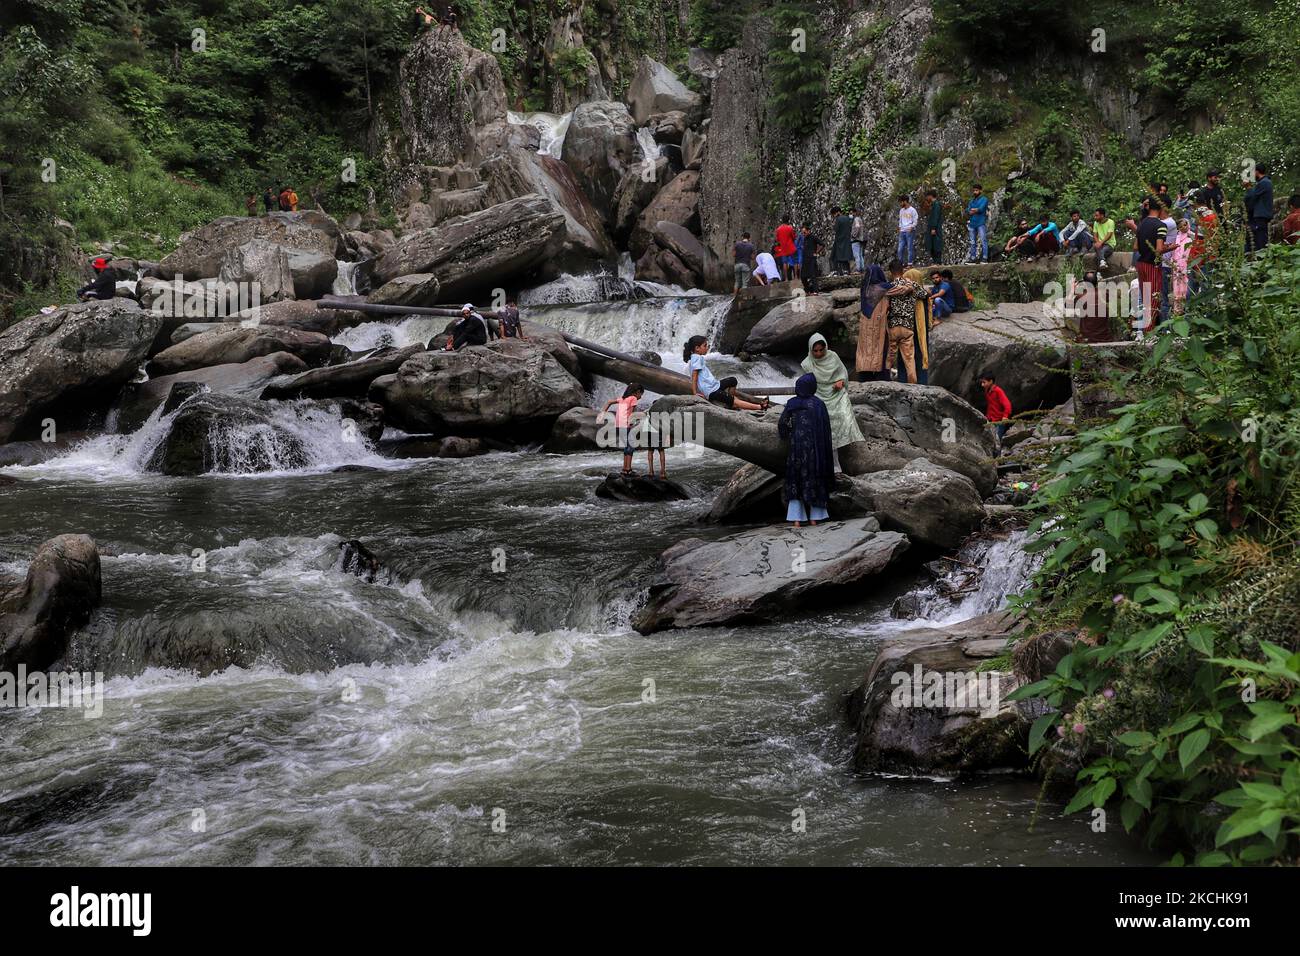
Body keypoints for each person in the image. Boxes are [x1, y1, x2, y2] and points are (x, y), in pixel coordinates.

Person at [778, 373, 835, 527]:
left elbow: (782, 423)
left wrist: (789, 434)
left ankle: (796, 519)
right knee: (815, 478)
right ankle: (815, 518)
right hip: (814, 450)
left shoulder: (791, 403)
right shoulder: (818, 404)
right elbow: (825, 429)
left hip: (796, 448)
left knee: (795, 479)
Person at [802, 333, 864, 472]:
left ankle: (840, 460)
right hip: (818, 395)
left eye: (821, 350)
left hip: (836, 394)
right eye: (815, 350)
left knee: (844, 416)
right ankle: (832, 465)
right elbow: (806, 385)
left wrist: (840, 382)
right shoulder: (807, 364)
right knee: (824, 426)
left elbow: (843, 375)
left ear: (826, 348)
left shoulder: (833, 357)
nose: (818, 353)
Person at [684, 336, 768, 410]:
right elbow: (694, 376)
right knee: (734, 400)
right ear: (697, 348)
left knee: (732, 380)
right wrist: (695, 393)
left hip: (715, 385)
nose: (707, 348)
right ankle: (760, 407)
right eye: (705, 346)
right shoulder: (696, 359)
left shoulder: (697, 357)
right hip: (711, 391)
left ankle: (729, 402)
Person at [883, 259, 922, 384]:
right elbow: (924, 294)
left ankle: (885, 380)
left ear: (890, 272)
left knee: (890, 355)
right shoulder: (911, 284)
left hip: (893, 325)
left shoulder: (888, 286)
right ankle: (913, 384)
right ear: (903, 270)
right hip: (907, 326)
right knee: (909, 359)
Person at [1134, 201, 1167, 334]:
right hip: (1152, 265)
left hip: (1141, 264)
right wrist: (1169, 248)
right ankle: (1149, 332)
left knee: (1145, 297)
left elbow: (1135, 247)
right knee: (1153, 298)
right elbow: (1159, 249)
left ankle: (1143, 330)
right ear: (1160, 208)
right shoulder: (1161, 225)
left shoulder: (1141, 224)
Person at [855, 264, 891, 382]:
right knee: (880, 352)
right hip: (878, 326)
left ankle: (865, 379)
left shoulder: (865, 288)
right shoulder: (883, 288)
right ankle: (882, 379)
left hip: (865, 327)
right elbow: (898, 288)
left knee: (865, 354)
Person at [601, 384, 643, 476]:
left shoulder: (622, 399)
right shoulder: (633, 398)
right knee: (631, 447)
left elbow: (608, 402)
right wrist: (632, 424)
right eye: (641, 394)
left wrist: (602, 413)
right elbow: (632, 413)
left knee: (626, 447)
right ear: (638, 392)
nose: (641, 397)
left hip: (618, 425)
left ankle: (624, 469)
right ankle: (628, 469)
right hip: (626, 425)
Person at [1073, 270, 1112, 344]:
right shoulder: (1105, 293)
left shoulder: (1080, 297)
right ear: (1097, 282)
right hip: (1105, 338)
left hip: (1087, 339)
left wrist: (1072, 290)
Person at [1243, 163, 1274, 253]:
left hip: (1261, 216)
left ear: (1257, 172)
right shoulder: (1264, 182)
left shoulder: (1264, 183)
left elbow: (1251, 197)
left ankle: (1261, 260)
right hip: (1261, 216)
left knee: (1260, 242)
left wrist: (1248, 187)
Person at [1169, 219, 1194, 315]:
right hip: (1177, 266)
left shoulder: (1191, 236)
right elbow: (1173, 252)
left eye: (1185, 225)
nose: (1184, 227)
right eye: (1181, 226)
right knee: (1177, 287)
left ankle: (1189, 311)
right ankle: (1178, 312)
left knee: (1188, 288)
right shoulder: (1176, 237)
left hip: (1188, 265)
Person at [980, 373, 1012, 445]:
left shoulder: (998, 391)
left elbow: (1007, 404)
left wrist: (1005, 416)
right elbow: (991, 405)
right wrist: (987, 416)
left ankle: (998, 455)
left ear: (991, 381)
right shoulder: (987, 391)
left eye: (984, 382)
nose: (982, 385)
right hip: (991, 419)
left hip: (1000, 420)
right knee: (990, 439)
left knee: (997, 440)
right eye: (982, 382)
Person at [965, 184, 989, 263]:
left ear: (980, 191)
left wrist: (974, 210)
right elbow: (968, 210)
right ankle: (973, 258)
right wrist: (973, 210)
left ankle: (985, 258)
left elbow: (981, 209)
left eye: (976, 190)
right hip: (972, 223)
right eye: (974, 190)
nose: (975, 192)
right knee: (972, 242)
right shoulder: (972, 201)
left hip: (981, 223)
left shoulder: (984, 199)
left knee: (983, 240)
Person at [799, 224, 823, 294]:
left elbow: (822, 244)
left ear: (809, 231)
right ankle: (807, 291)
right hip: (805, 260)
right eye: (802, 233)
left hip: (812, 259)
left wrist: (816, 253)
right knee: (803, 277)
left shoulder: (813, 237)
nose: (803, 234)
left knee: (813, 275)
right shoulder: (804, 239)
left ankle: (816, 291)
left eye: (804, 232)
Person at [922, 188, 943, 264]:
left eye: (927, 196)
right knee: (932, 244)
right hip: (932, 227)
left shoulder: (936, 204)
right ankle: (935, 261)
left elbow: (935, 217)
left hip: (935, 228)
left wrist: (933, 228)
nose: (927, 198)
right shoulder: (934, 204)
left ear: (930, 196)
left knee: (936, 245)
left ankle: (937, 262)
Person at [831, 207, 854, 275]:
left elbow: (836, 229)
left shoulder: (838, 219)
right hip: (847, 239)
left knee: (835, 256)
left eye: (834, 214)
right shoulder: (847, 218)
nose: (834, 216)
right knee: (845, 257)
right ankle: (847, 271)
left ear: (837, 212)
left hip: (839, 240)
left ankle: (836, 271)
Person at [896, 195, 918, 266]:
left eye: (901, 202)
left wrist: (912, 227)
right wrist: (899, 228)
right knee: (900, 249)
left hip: (909, 231)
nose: (900, 204)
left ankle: (910, 263)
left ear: (905, 201)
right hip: (902, 231)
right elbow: (900, 220)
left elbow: (915, 220)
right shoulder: (901, 210)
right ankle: (900, 264)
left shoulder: (912, 210)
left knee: (910, 248)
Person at [775, 215, 797, 280]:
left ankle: (786, 278)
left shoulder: (778, 229)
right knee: (795, 261)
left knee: (785, 263)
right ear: (788, 220)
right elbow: (794, 237)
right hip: (791, 247)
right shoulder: (790, 228)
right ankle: (796, 277)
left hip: (783, 248)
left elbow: (777, 239)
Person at [850, 207, 866, 273]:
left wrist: (853, 235)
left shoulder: (856, 219)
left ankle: (858, 269)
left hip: (856, 239)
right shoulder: (859, 219)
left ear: (854, 212)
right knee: (860, 255)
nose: (851, 214)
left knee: (856, 255)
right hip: (861, 239)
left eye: (851, 213)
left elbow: (857, 227)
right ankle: (862, 268)